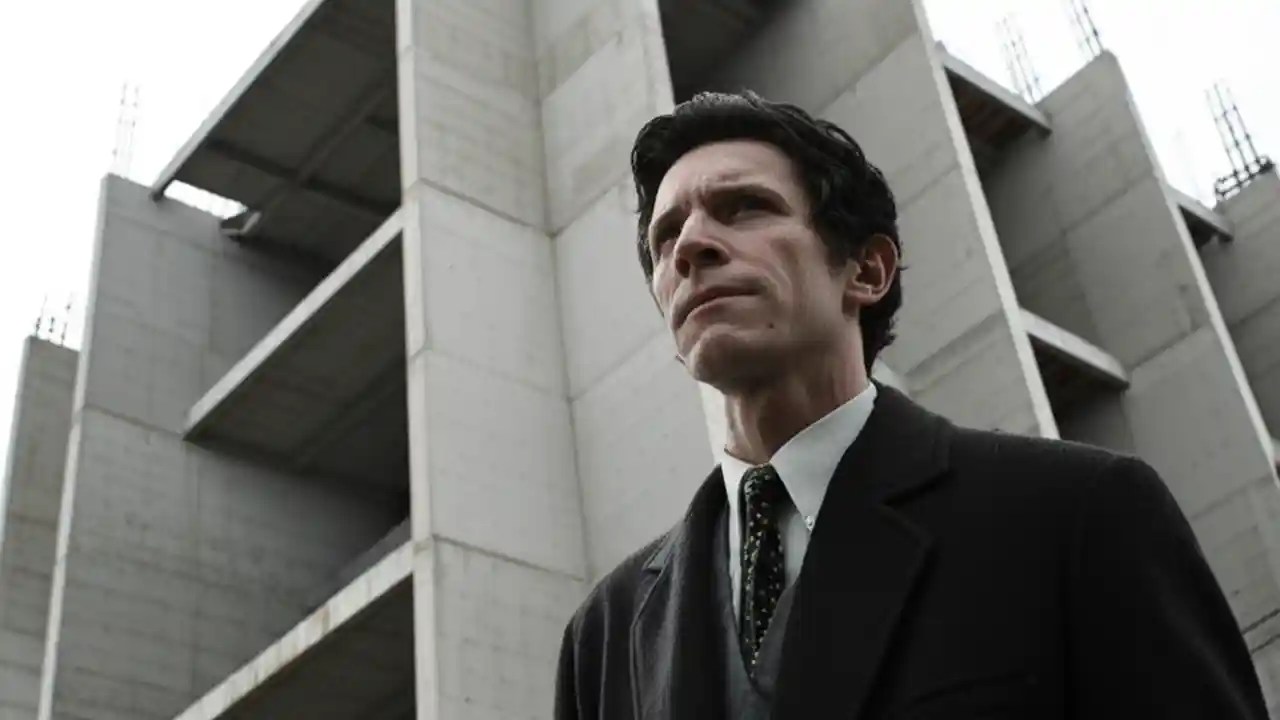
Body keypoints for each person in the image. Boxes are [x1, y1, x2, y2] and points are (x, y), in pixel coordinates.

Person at [553, 91, 1268, 719]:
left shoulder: (1076, 514)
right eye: (666, 234)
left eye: (744, 208)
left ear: (866, 269)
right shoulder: (604, 634)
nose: (692, 247)